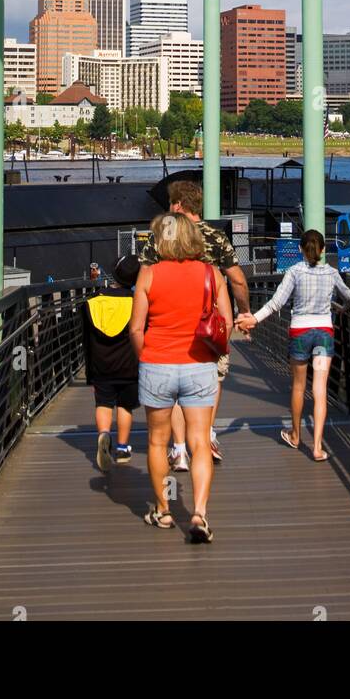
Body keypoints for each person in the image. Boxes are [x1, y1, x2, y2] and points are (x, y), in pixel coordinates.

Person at [130, 213, 233, 542]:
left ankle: (163, 510)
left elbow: (135, 328)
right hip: (199, 366)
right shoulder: (211, 273)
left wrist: (145, 356)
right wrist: (211, 356)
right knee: (200, 442)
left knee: (158, 442)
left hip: (157, 363)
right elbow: (226, 324)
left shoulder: (148, 274)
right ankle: (200, 513)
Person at [139, 179, 249, 467]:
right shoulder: (215, 236)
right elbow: (236, 278)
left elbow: (144, 282)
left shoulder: (162, 236)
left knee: (174, 392)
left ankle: (178, 449)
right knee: (212, 380)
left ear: (176, 205)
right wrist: (244, 313)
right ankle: (206, 435)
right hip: (211, 327)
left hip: (167, 329)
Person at [237, 229, 350, 461]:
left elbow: (276, 302)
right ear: (323, 250)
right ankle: (318, 447)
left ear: (300, 249)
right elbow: (348, 296)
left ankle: (296, 435)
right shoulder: (331, 273)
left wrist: (254, 319)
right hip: (323, 332)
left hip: (300, 331)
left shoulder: (294, 272)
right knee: (319, 389)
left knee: (299, 386)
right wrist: (342, 309)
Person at [82, 255, 141, 471]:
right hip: (128, 366)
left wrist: (90, 370)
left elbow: (86, 339)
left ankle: (104, 435)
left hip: (101, 365)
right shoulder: (136, 303)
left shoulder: (92, 303)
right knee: (125, 406)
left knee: (103, 404)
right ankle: (123, 447)